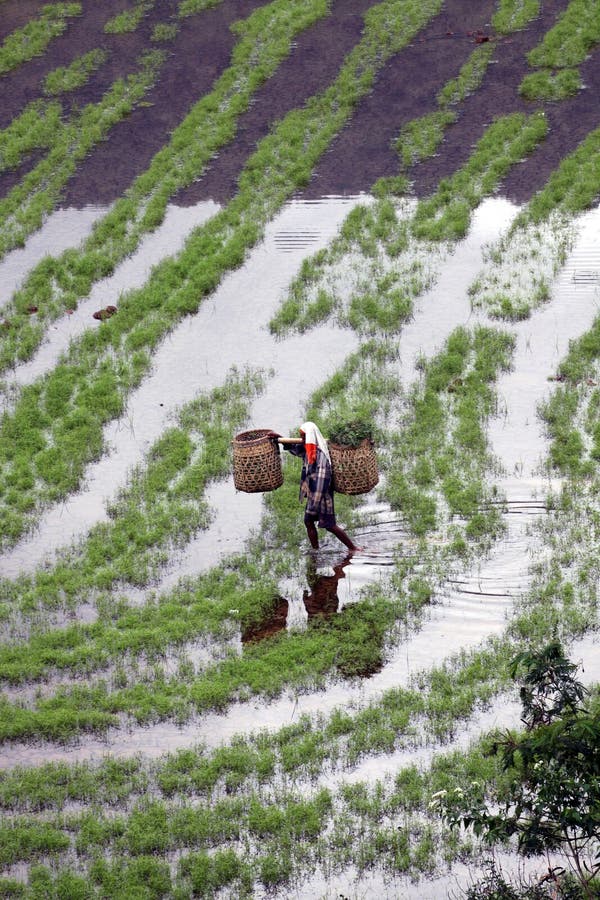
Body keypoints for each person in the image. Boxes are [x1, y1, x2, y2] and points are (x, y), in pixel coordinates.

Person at [283, 421, 362, 552]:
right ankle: (315, 550)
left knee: (330, 525)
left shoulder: (321, 456)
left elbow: (322, 479)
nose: (301, 439)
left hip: (322, 496)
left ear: (310, 437)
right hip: (314, 494)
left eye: (303, 437)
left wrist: (314, 502)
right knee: (308, 521)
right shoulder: (310, 450)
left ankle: (353, 548)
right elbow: (297, 450)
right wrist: (280, 439)